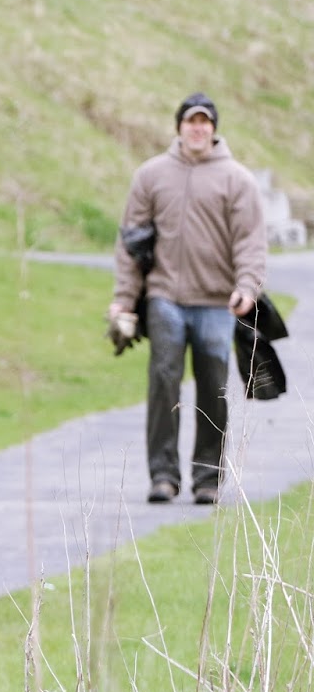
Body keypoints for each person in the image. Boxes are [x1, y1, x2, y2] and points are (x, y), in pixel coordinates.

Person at [109, 92, 267, 505]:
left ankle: (207, 478)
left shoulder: (237, 180)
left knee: (214, 387)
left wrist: (247, 286)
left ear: (213, 129)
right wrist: (124, 299)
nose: (197, 128)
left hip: (217, 301)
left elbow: (251, 242)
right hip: (165, 298)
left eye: (204, 122)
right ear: (179, 126)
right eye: (190, 121)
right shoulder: (151, 175)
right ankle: (163, 476)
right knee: (164, 381)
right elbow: (131, 243)